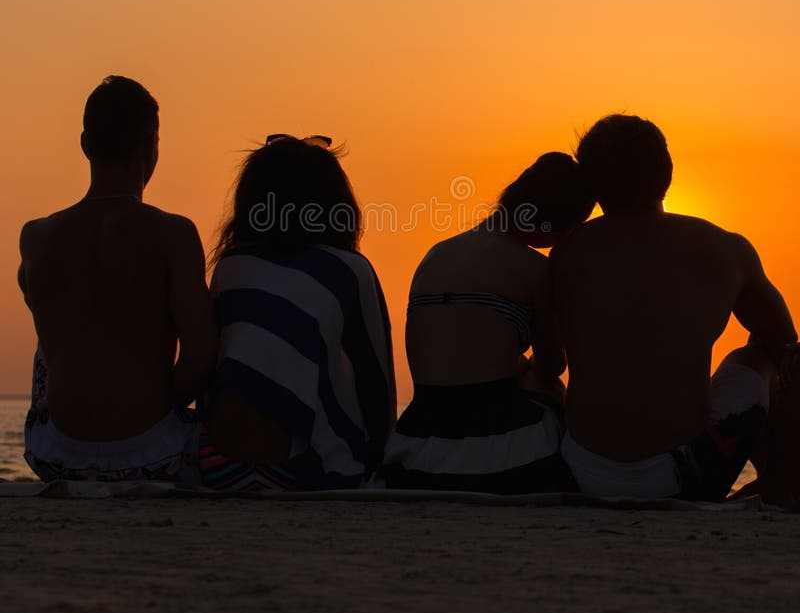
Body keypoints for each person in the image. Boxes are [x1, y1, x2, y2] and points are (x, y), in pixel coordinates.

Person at [553, 114, 799, 503]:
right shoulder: (725, 248)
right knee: (760, 357)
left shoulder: (567, 251)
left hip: (581, 473)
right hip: (686, 476)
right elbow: (784, 340)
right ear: (667, 172)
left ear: (592, 184)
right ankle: (781, 479)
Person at [18, 76, 217, 482]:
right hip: (154, 453)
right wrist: (163, 406)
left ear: (85, 144)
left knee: (52, 336)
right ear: (150, 146)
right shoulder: (173, 234)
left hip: (57, 456)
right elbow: (200, 356)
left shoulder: (35, 237)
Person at [381, 153, 594, 493]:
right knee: (549, 387)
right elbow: (553, 365)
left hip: (417, 438)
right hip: (496, 447)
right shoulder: (534, 268)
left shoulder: (435, 253)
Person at [200, 134, 396, 492]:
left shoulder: (232, 265)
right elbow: (375, 385)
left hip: (217, 464)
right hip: (298, 468)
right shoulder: (350, 269)